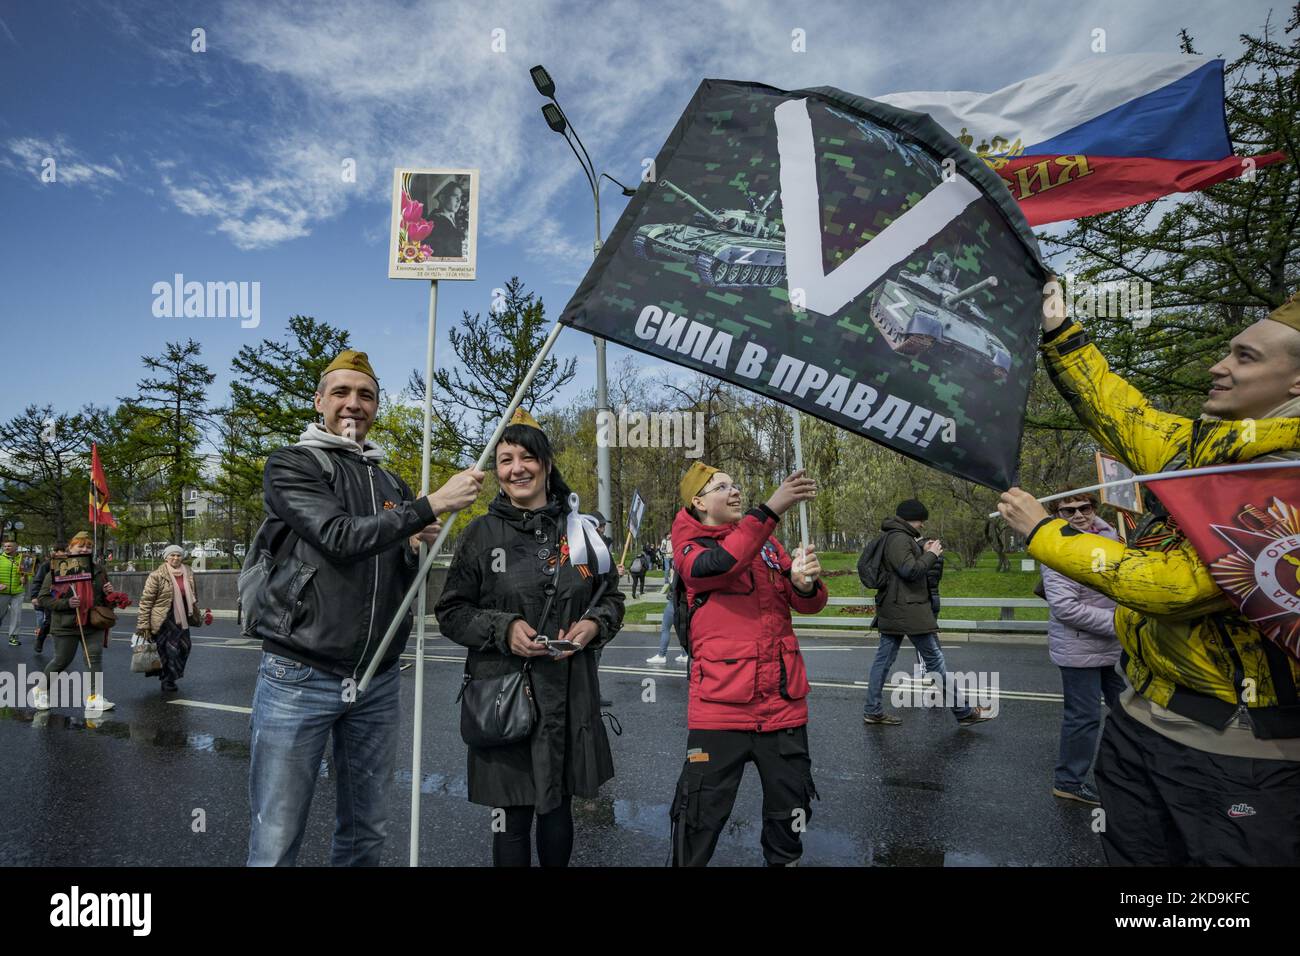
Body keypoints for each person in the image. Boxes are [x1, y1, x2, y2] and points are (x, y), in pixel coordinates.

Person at [997, 286, 1300, 865]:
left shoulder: (1288, 475)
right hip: (1142, 722)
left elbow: (1180, 588)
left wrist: (1044, 533)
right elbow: (1118, 411)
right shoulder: (1201, 446)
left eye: (1246, 356)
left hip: (1239, 747)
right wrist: (1060, 329)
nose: (1220, 365)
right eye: (1227, 351)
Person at [244, 349, 484, 867]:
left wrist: (415, 542)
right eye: (342, 393)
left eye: (366, 395)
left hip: (376, 680)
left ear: (377, 406)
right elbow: (337, 537)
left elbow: (391, 577)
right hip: (299, 674)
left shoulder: (391, 481)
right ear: (319, 401)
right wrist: (430, 505)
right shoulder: (293, 463)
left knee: (366, 832)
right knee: (277, 835)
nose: (354, 404)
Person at [435, 408, 624, 867]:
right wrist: (504, 629)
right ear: (496, 472)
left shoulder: (582, 531)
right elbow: (451, 612)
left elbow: (611, 598)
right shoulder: (480, 534)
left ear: (546, 463)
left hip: (569, 694)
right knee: (512, 817)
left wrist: (594, 624)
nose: (516, 467)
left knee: (558, 809)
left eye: (526, 456)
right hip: (505, 696)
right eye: (504, 460)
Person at [668, 463, 826, 866]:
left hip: (783, 707)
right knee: (698, 817)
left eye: (736, 484)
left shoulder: (768, 546)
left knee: (790, 812)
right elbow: (717, 566)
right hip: (720, 711)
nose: (734, 491)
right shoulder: (691, 542)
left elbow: (808, 605)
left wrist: (804, 583)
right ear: (698, 502)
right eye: (722, 487)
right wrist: (772, 507)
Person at [862, 500, 995, 726]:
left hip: (896, 608)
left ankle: (872, 709)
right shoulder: (899, 538)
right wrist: (931, 554)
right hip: (908, 610)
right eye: (921, 519)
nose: (923, 524)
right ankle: (963, 712)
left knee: (884, 660)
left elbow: (902, 566)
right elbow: (910, 571)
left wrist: (921, 550)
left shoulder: (897, 538)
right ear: (911, 518)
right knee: (934, 660)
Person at [1040, 492, 1124, 806]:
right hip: (1078, 647)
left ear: (1094, 509)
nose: (1078, 515)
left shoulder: (1113, 540)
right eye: (1068, 510)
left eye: (1084, 508)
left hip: (1112, 644)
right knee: (1084, 717)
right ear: (1057, 514)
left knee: (1131, 708)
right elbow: (1065, 608)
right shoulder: (1058, 551)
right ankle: (1068, 782)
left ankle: (1137, 769)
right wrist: (1120, 622)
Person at [31, 531, 114, 713]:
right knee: (61, 661)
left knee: (94, 659)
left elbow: (106, 602)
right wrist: (66, 603)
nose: (85, 549)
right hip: (66, 624)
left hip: (93, 623)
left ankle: (94, 697)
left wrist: (110, 594)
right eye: (81, 545)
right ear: (71, 548)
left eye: (88, 546)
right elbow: (43, 598)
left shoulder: (98, 570)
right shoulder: (58, 568)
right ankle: (40, 690)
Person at [136, 545, 202, 694]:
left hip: (182, 617)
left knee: (185, 647)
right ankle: (168, 680)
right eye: (172, 555)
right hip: (163, 618)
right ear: (166, 557)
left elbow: (193, 596)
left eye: (178, 555)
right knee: (167, 651)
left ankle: (171, 675)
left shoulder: (189, 572)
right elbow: (146, 601)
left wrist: (198, 614)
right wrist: (143, 624)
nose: (175, 558)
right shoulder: (157, 575)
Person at [646, 550, 688, 666]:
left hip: (674, 601)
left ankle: (661, 655)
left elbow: (675, 584)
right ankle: (685, 654)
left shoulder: (678, 566)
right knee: (682, 627)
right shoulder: (689, 564)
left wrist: (671, 592)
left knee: (665, 628)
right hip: (685, 602)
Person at [29, 544, 65, 654]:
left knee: (65, 623)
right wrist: (35, 596)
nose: (63, 553)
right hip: (51, 597)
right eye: (59, 551)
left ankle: (62, 649)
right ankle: (40, 640)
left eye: (64, 551)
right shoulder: (46, 565)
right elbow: (38, 580)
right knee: (49, 621)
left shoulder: (72, 564)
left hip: (66, 598)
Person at [0, 539, 29, 646]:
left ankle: (13, 637)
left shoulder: (24, 560)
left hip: (18, 592)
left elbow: (28, 577)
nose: (7, 548)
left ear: (16, 547)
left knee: (16, 616)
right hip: (2, 592)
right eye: (5, 546)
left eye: (9, 546)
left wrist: (24, 579)